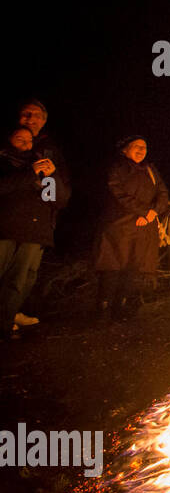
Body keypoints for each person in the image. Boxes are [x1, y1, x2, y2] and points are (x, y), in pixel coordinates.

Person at [93, 136, 169, 321]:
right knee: (113, 267)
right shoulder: (116, 168)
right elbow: (117, 192)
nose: (141, 150)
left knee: (133, 267)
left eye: (144, 147)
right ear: (124, 150)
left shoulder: (150, 169)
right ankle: (103, 310)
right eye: (136, 146)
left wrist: (152, 213)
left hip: (144, 227)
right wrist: (144, 212)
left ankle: (122, 308)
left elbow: (163, 193)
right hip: (119, 225)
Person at [1, 128, 67, 337]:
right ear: (8, 140)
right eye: (20, 139)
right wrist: (29, 173)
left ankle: (4, 324)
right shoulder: (4, 162)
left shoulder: (39, 168)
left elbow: (55, 200)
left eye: (30, 141)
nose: (26, 144)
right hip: (5, 230)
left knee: (19, 281)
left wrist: (52, 176)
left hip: (34, 232)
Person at [14, 99, 67, 328]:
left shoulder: (50, 149)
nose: (30, 119)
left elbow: (56, 190)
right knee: (9, 271)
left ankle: (12, 311)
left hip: (39, 221)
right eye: (26, 114)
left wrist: (51, 193)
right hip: (10, 219)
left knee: (28, 272)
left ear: (44, 121)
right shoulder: (10, 145)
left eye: (36, 115)